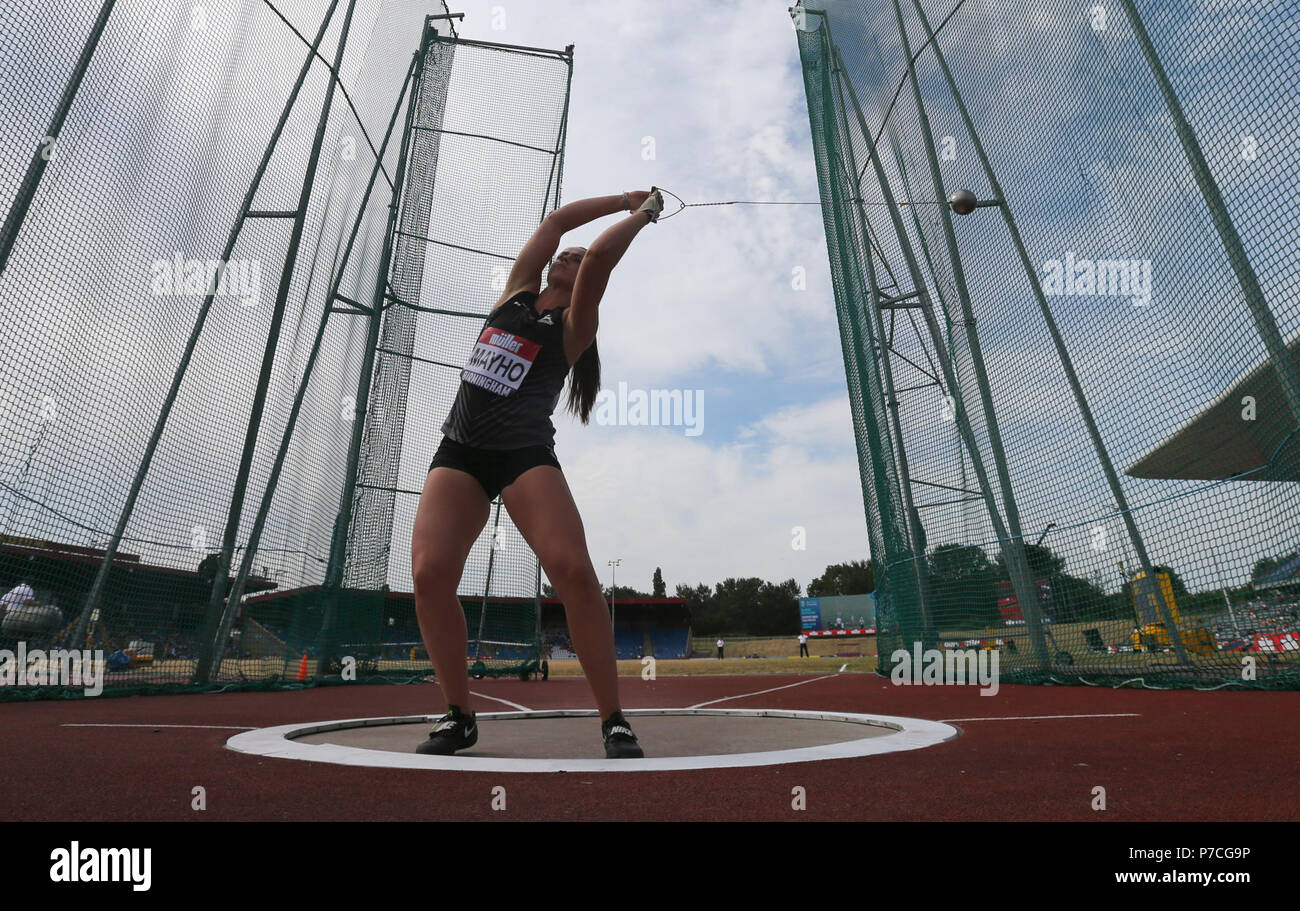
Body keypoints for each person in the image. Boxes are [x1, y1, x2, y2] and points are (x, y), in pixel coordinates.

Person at [410, 188, 664, 759]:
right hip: (461, 451)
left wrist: (642, 216)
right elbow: (556, 221)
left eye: (576, 258)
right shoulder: (516, 294)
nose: (569, 255)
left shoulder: (577, 324)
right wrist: (624, 197)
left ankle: (614, 719)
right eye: (564, 255)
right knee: (429, 576)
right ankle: (458, 715)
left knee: (573, 570)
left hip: (523, 455)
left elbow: (599, 260)